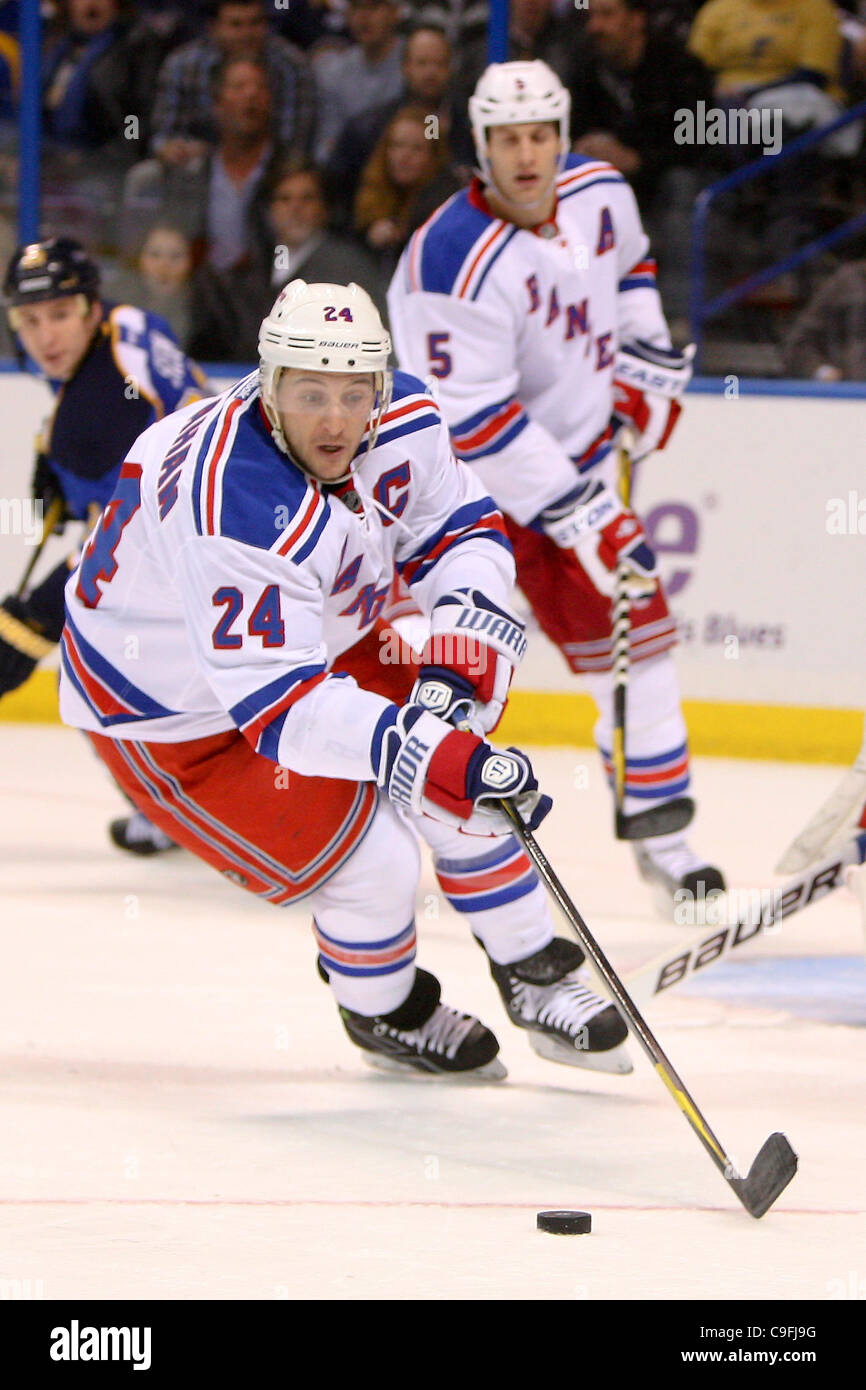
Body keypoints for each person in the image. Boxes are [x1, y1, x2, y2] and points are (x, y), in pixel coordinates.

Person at [57, 277, 630, 1078]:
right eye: (310, 393)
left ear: (381, 388)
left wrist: (458, 659)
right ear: (268, 385)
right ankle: (384, 1010)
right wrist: (427, 749)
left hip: (311, 634)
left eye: (355, 394)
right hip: (169, 711)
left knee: (457, 768)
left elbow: (460, 526)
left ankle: (535, 968)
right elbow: (284, 712)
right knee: (375, 862)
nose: (334, 420)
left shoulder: (403, 419)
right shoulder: (237, 507)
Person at [387, 60, 725, 911]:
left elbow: (635, 273)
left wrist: (644, 371)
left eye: (540, 135)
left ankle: (666, 842)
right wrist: (584, 511)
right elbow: (474, 421)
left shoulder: (602, 192)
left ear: (563, 135)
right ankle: (383, 838)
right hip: (457, 507)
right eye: (508, 139)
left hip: (565, 476)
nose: (527, 156)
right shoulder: (449, 260)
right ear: (480, 145)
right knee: (439, 677)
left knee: (640, 641)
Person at [0, 236, 209, 855]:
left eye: (60, 315)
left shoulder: (90, 417)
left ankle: (172, 815)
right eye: (30, 320)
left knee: (89, 675)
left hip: (197, 549)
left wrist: (38, 613)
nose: (45, 336)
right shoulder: (127, 323)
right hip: (225, 525)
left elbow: (128, 533)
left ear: (89, 309)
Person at [187, 161, 385, 361]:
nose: (295, 208)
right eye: (284, 199)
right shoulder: (261, 262)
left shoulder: (348, 264)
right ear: (269, 210)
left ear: (325, 208)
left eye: (307, 199)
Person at [149, 0, 316, 166]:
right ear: (213, 28)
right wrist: (172, 149)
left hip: (272, 170)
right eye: (236, 25)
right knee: (145, 175)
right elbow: (163, 135)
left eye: (255, 23)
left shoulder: (292, 66)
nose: (247, 33)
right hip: (194, 165)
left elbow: (294, 144)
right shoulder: (181, 66)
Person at [354, 105, 461, 274]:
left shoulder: (444, 204)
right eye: (397, 145)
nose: (404, 157)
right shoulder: (371, 189)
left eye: (416, 148)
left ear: (434, 155)